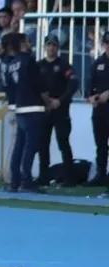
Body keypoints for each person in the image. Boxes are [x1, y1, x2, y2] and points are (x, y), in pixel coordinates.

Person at [5, 32, 48, 193]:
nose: (30, 44)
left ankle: (14, 181)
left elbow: (10, 88)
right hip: (34, 107)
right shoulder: (29, 61)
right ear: (22, 43)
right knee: (31, 146)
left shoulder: (11, 63)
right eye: (27, 41)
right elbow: (39, 85)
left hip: (19, 108)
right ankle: (26, 180)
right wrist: (47, 102)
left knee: (19, 146)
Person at [37, 35, 76, 185]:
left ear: (58, 47)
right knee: (43, 143)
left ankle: (69, 177)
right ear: (45, 47)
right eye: (49, 45)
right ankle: (43, 176)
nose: (51, 48)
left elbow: (73, 85)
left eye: (54, 45)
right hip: (44, 109)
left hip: (61, 109)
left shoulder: (65, 65)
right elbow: (34, 86)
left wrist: (60, 100)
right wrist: (44, 102)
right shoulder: (39, 65)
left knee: (63, 142)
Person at [85, 32, 109, 186]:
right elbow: (89, 83)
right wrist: (90, 97)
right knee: (100, 145)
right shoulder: (97, 63)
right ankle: (101, 174)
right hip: (100, 110)